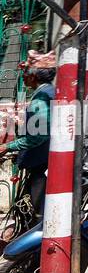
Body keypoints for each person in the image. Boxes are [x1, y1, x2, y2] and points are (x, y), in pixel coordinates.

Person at [2, 58, 55, 222]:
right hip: (48, 159)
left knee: (38, 209)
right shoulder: (51, 92)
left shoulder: (40, 99)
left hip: (41, 161)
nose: (23, 77)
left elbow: (38, 136)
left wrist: (9, 145)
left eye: (25, 72)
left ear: (33, 76)